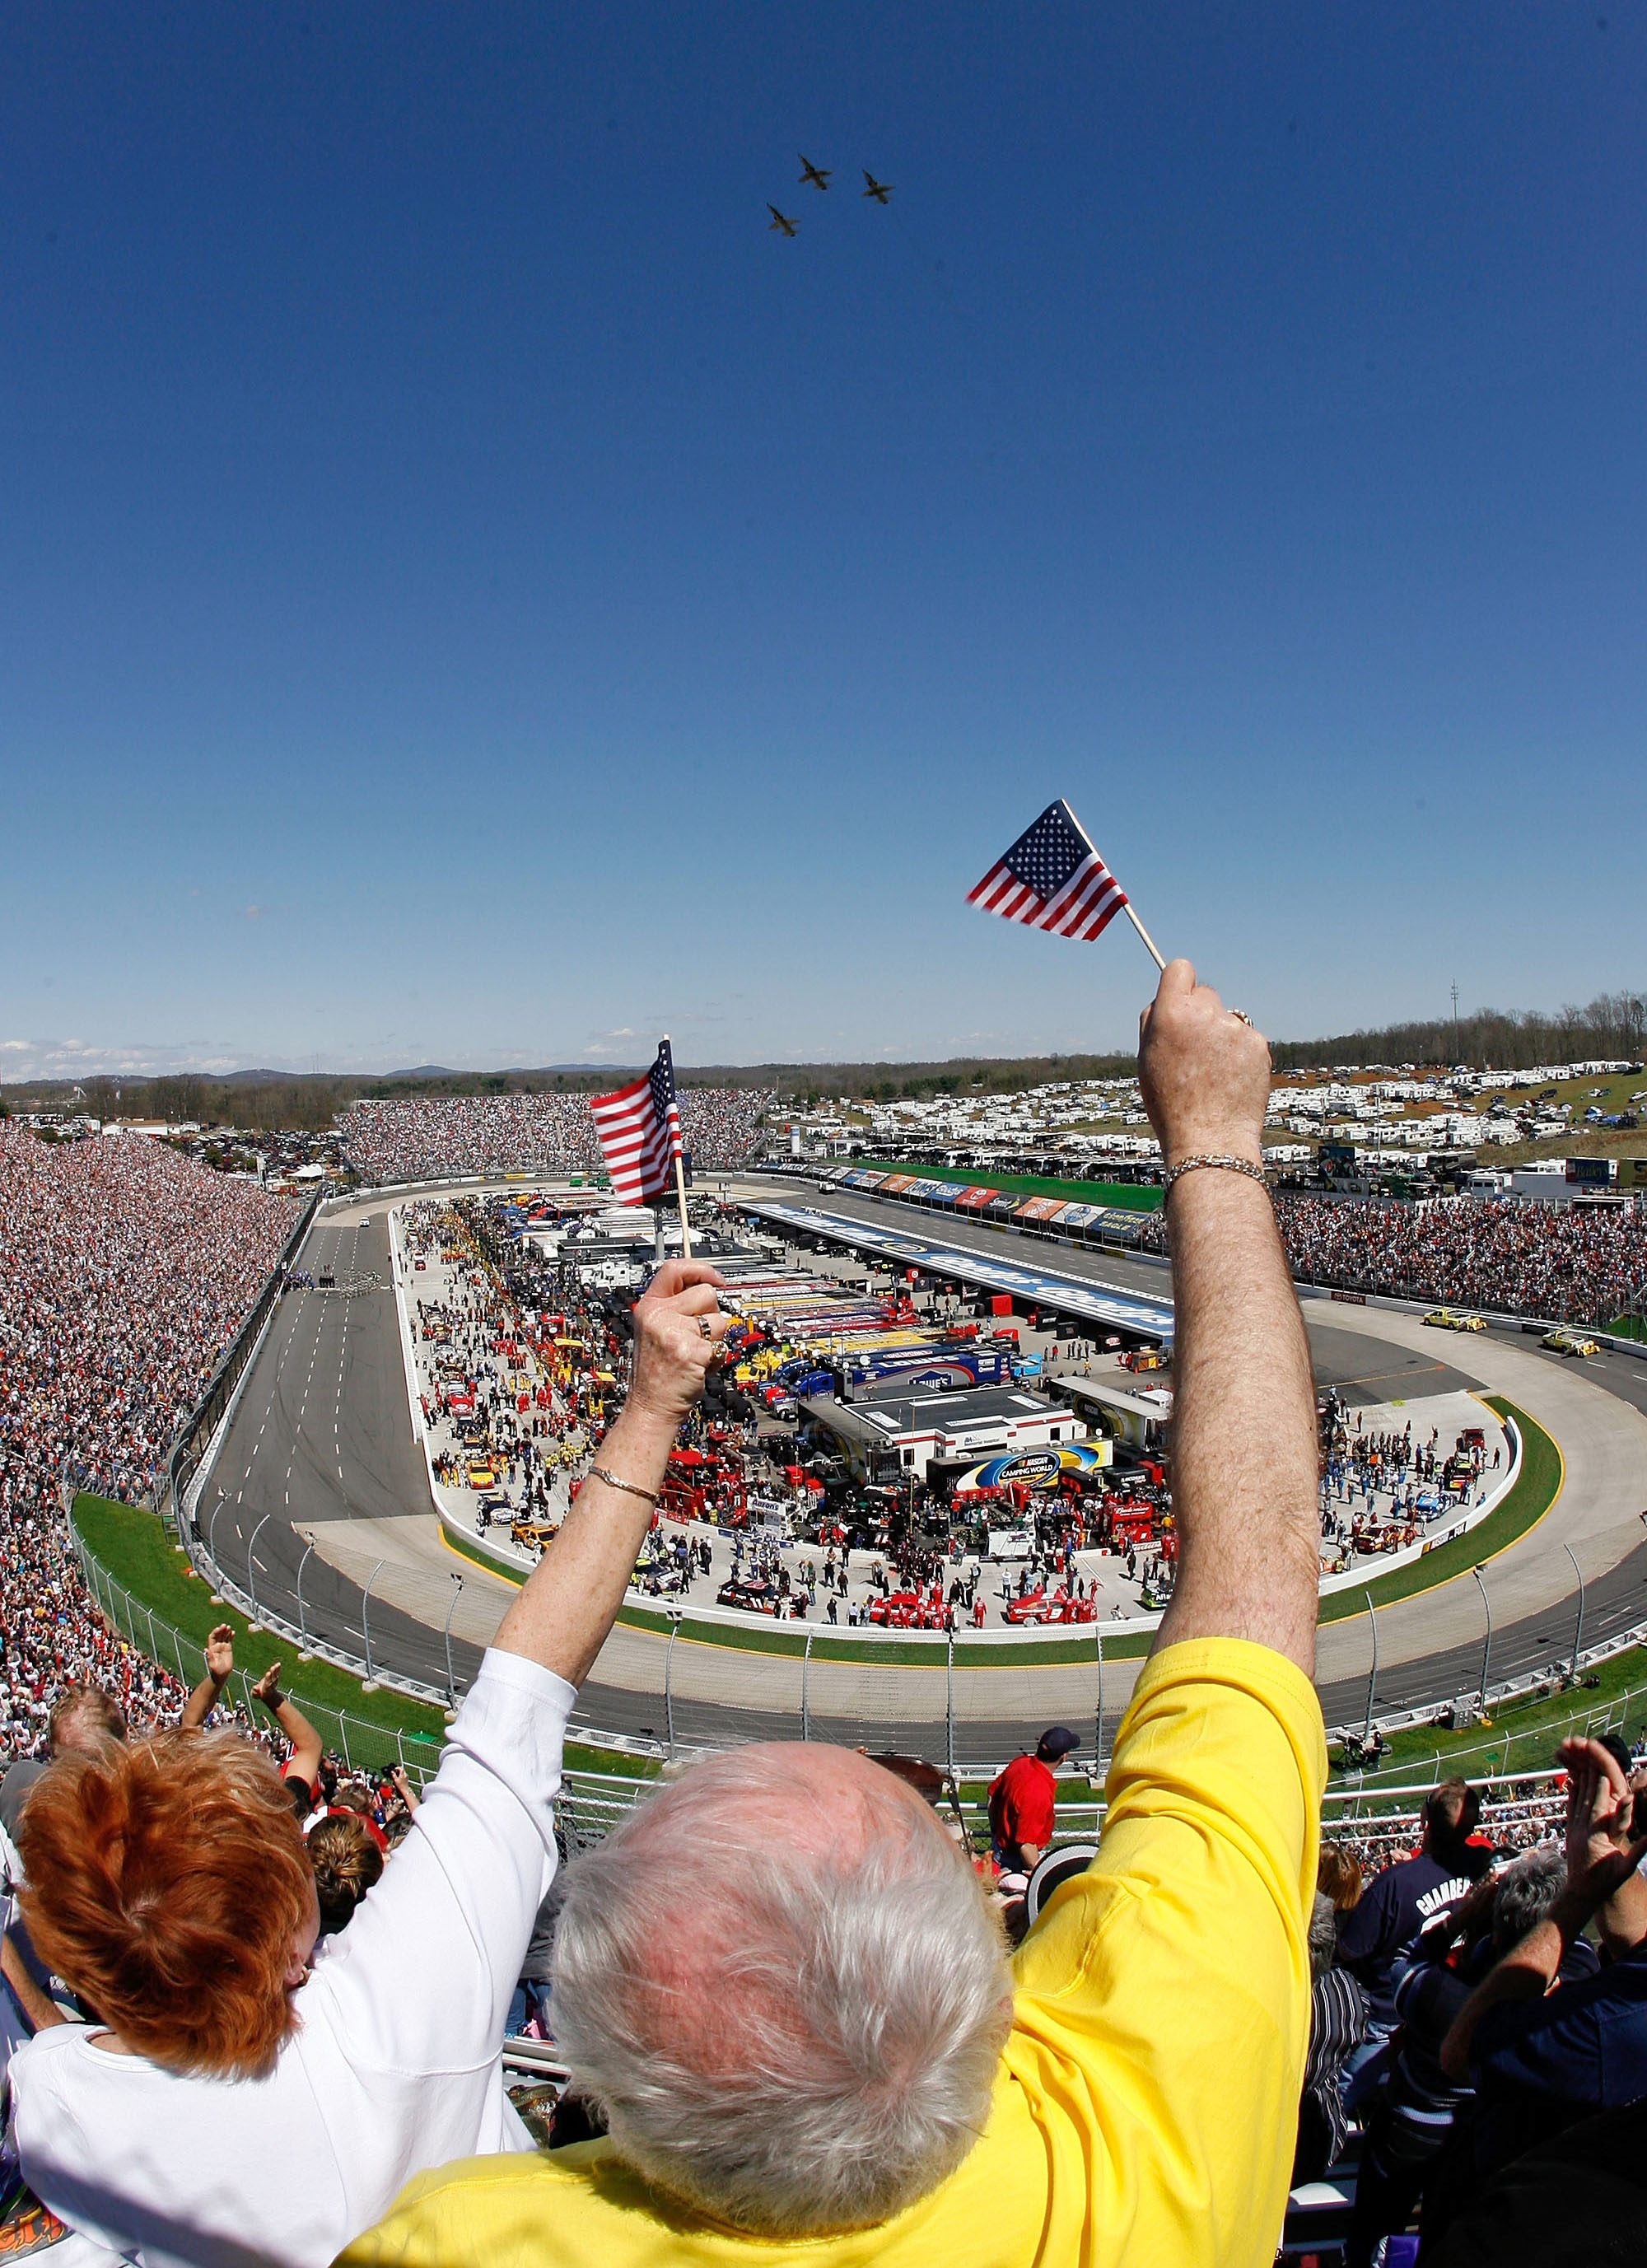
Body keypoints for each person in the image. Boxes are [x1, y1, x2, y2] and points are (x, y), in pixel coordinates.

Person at [346, 957, 1329, 2268]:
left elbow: (505, 1723)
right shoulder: (1147, 2152)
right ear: (995, 1979)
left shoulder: (460, 2241)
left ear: (602, 2084)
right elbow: (1263, 1560)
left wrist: (648, 1409)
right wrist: (1213, 1144)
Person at [8, 1258, 734, 2268]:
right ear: (290, 1916)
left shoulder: (56, 2106)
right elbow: (523, 1684)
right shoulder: (399, 2003)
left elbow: (64, 2045)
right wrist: (652, 1406)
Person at [1336, 1777, 1491, 2027]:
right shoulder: (1484, 1862)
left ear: (1425, 1822)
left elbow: (1349, 1948)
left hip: (1387, 2011)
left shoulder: (1394, 1884)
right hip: (1444, 1999)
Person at [986, 1725, 1080, 1874]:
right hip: (1018, 1863)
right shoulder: (1038, 1792)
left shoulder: (1019, 1763)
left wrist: (995, 1830)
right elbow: (1026, 1845)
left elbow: (992, 1796)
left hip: (1000, 1849)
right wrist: (1039, 1873)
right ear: (1064, 1756)